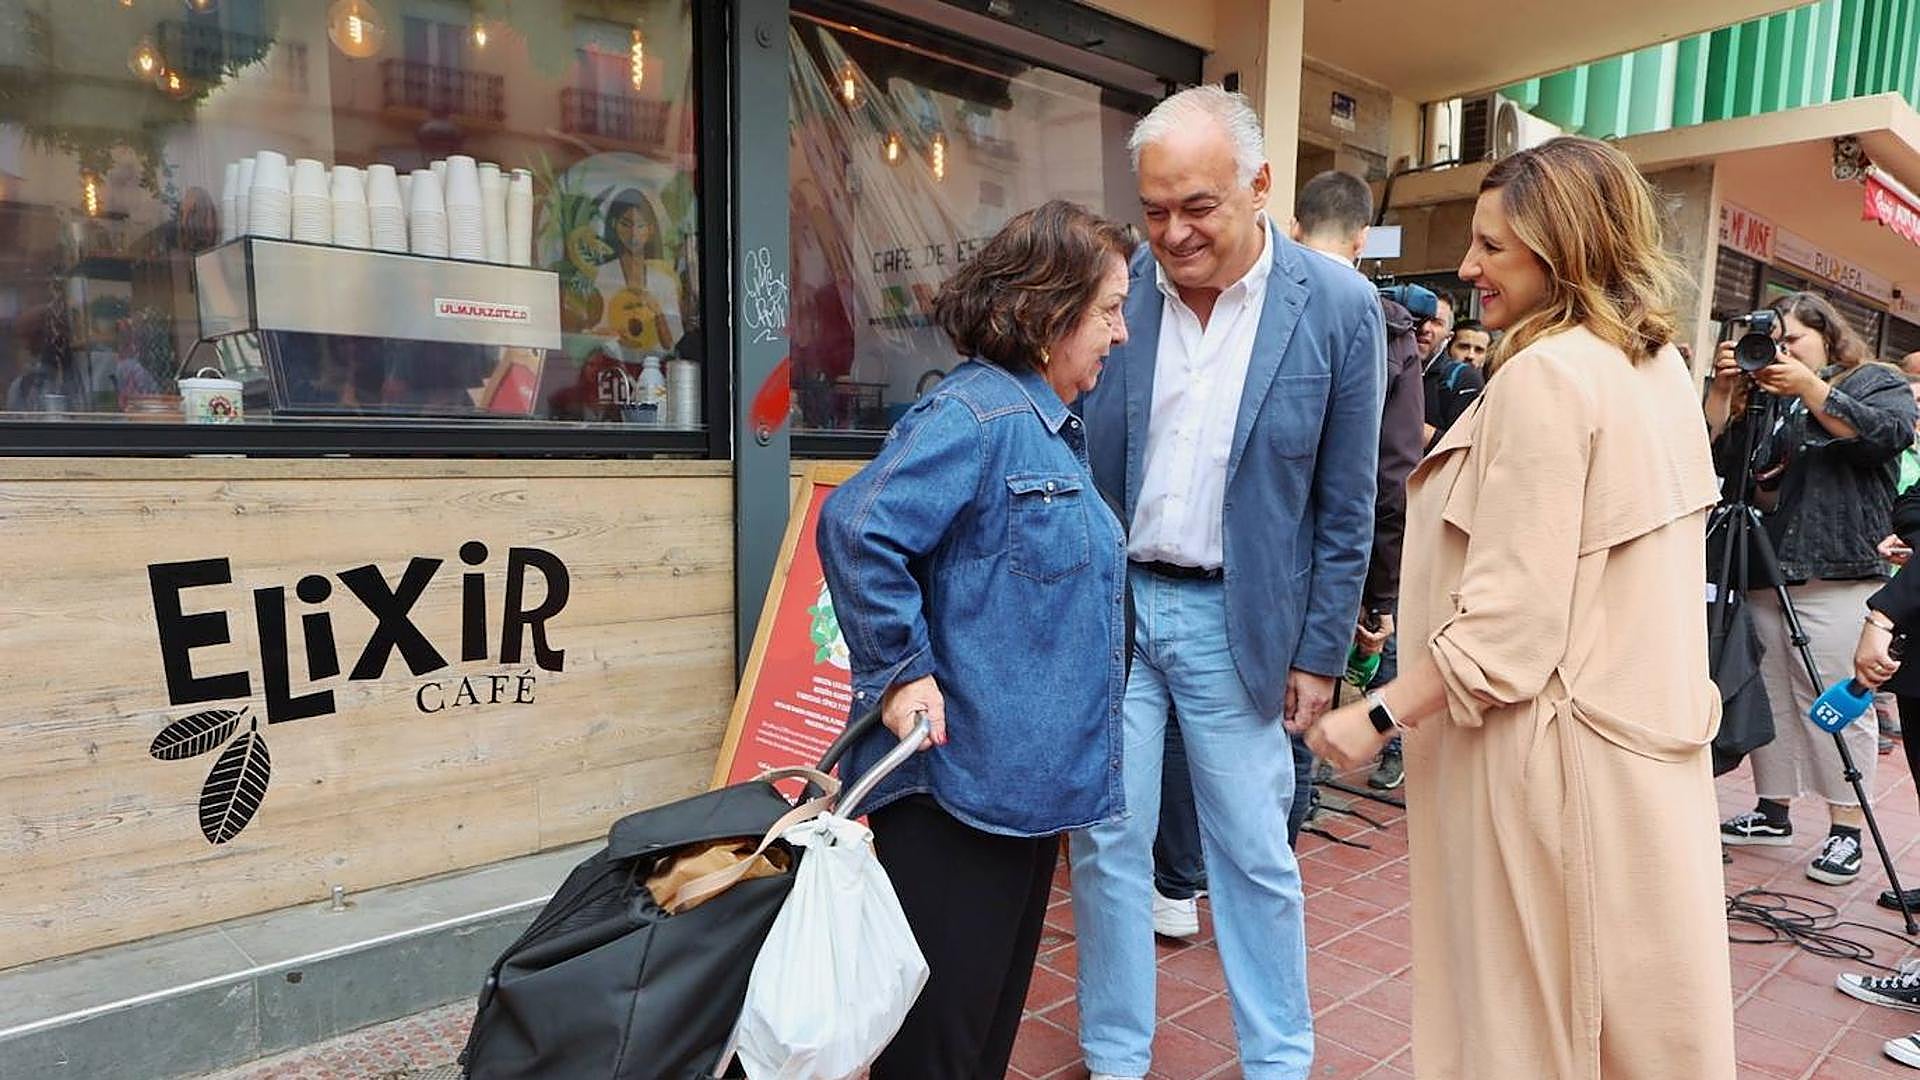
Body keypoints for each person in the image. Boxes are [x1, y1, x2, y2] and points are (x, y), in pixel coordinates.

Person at [1303, 135, 1737, 1078]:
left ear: (1564, 247)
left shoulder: (1549, 377)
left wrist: (1369, 719)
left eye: (1492, 247)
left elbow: (1508, 635)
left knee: (1528, 1035)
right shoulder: (1655, 366)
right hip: (1633, 763)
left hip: (1549, 768)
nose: (1466, 268)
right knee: (1622, 1036)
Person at [1071, 85, 1383, 1080]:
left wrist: (1321, 653)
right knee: (1108, 848)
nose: (1172, 233)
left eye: (1196, 207)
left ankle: (1278, 1063)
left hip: (1237, 623)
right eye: (1153, 211)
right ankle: (1116, 1058)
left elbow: (1348, 504)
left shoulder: (1338, 307)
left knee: (1253, 856)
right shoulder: (1123, 291)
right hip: (1117, 611)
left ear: (1258, 186)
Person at [815, 199, 1132, 1079]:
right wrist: (900, 674)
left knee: (981, 1031)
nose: (1122, 332)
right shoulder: (977, 417)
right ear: (1048, 312)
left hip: (1018, 791)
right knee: (938, 1045)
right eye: (1109, 309)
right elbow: (857, 528)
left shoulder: (1045, 426)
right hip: (957, 794)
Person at [1707, 291, 1915, 884]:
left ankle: (1846, 829)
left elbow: (1885, 434)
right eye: (1773, 341)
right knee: (1768, 697)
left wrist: (1810, 388)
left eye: (1793, 340)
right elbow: (1715, 462)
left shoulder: (1874, 378)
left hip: (1837, 571)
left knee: (1833, 704)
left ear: (1827, 336)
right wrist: (1725, 391)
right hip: (1764, 570)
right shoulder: (1761, 395)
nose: (1780, 353)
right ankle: (1772, 810)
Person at [596, 189, 684, 352]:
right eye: (626, 224)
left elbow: (672, 345)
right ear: (615, 225)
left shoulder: (664, 281)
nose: (633, 233)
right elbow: (596, 333)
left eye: (641, 226)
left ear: (650, 230)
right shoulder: (602, 276)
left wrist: (657, 311)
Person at [1421, 315, 1485, 450]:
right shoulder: (1431, 380)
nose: (1470, 356)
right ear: (1449, 347)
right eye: (1463, 347)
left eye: (1479, 350)